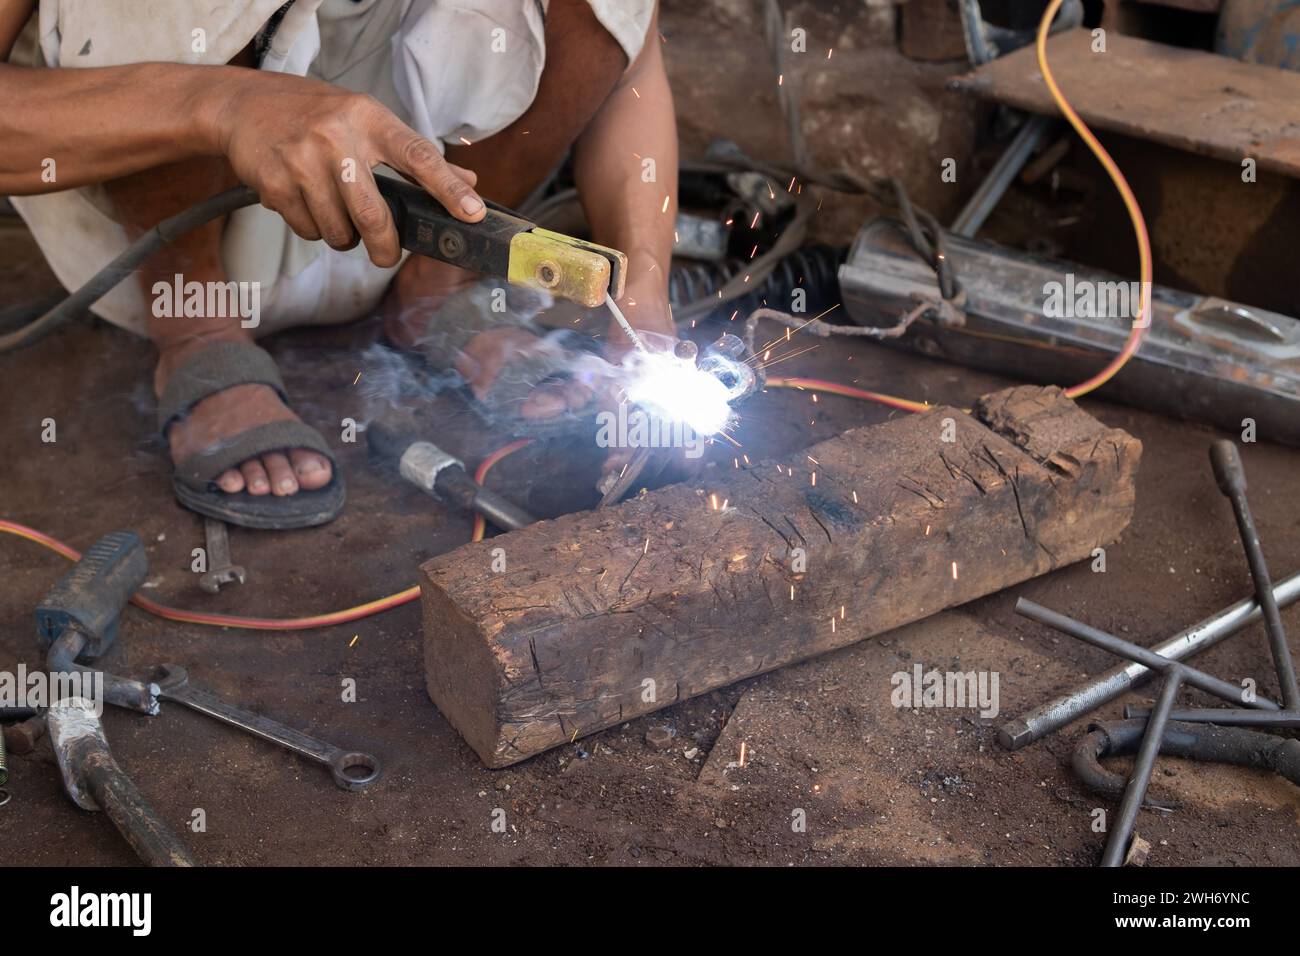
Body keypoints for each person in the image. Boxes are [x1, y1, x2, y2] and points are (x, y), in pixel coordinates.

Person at [0, 0, 677, 527]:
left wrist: (644, 288)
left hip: (402, 218)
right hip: (152, 237)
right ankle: (197, 331)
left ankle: (440, 285)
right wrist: (223, 106)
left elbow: (629, 52)